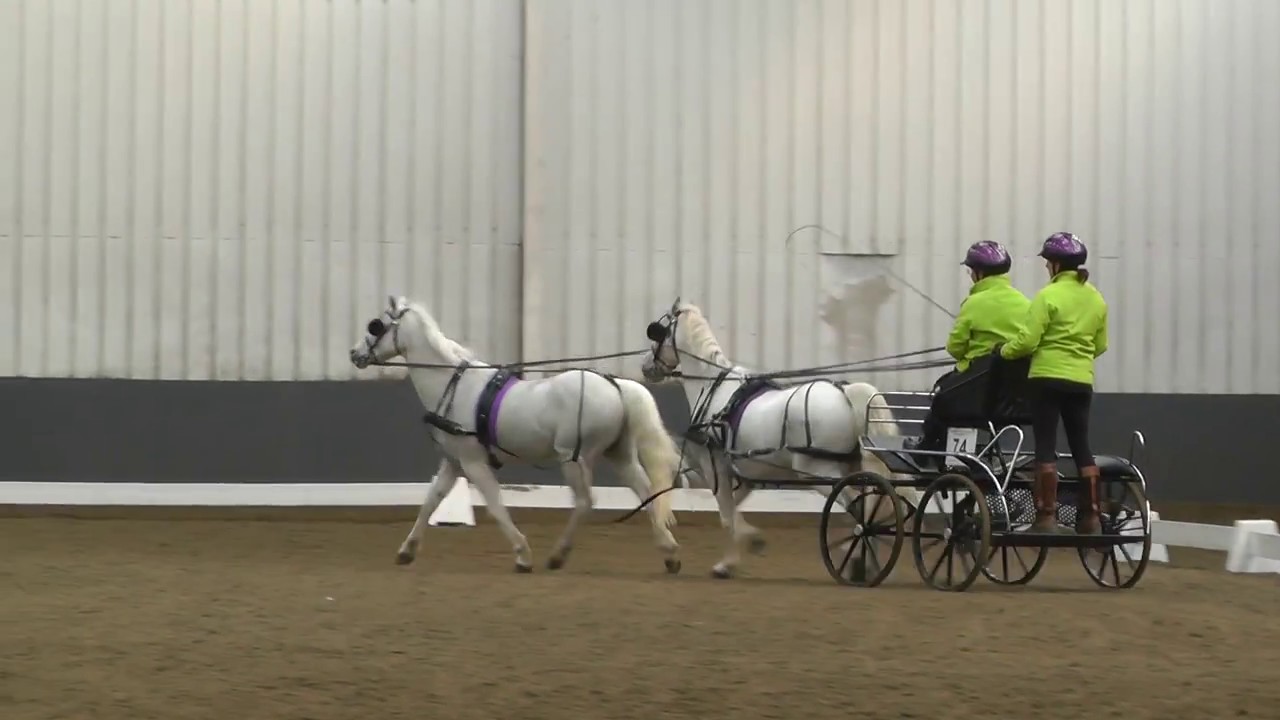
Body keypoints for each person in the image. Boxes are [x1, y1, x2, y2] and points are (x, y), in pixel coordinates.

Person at [997, 232, 1108, 535]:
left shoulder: (1047, 296)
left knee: (1046, 445)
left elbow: (1027, 341)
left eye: (1048, 263)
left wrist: (1005, 351)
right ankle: (1091, 518)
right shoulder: (1096, 298)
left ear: (1056, 264)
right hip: (1081, 381)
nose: (1047, 268)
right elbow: (1101, 345)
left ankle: (1046, 517)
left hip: (1046, 378)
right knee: (1081, 446)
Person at [905, 241, 1029, 463]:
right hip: (1014, 396)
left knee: (941, 396)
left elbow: (955, 347)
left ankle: (926, 447)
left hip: (978, 390)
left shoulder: (974, 303)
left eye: (971, 271)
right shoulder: (1025, 303)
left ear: (979, 273)